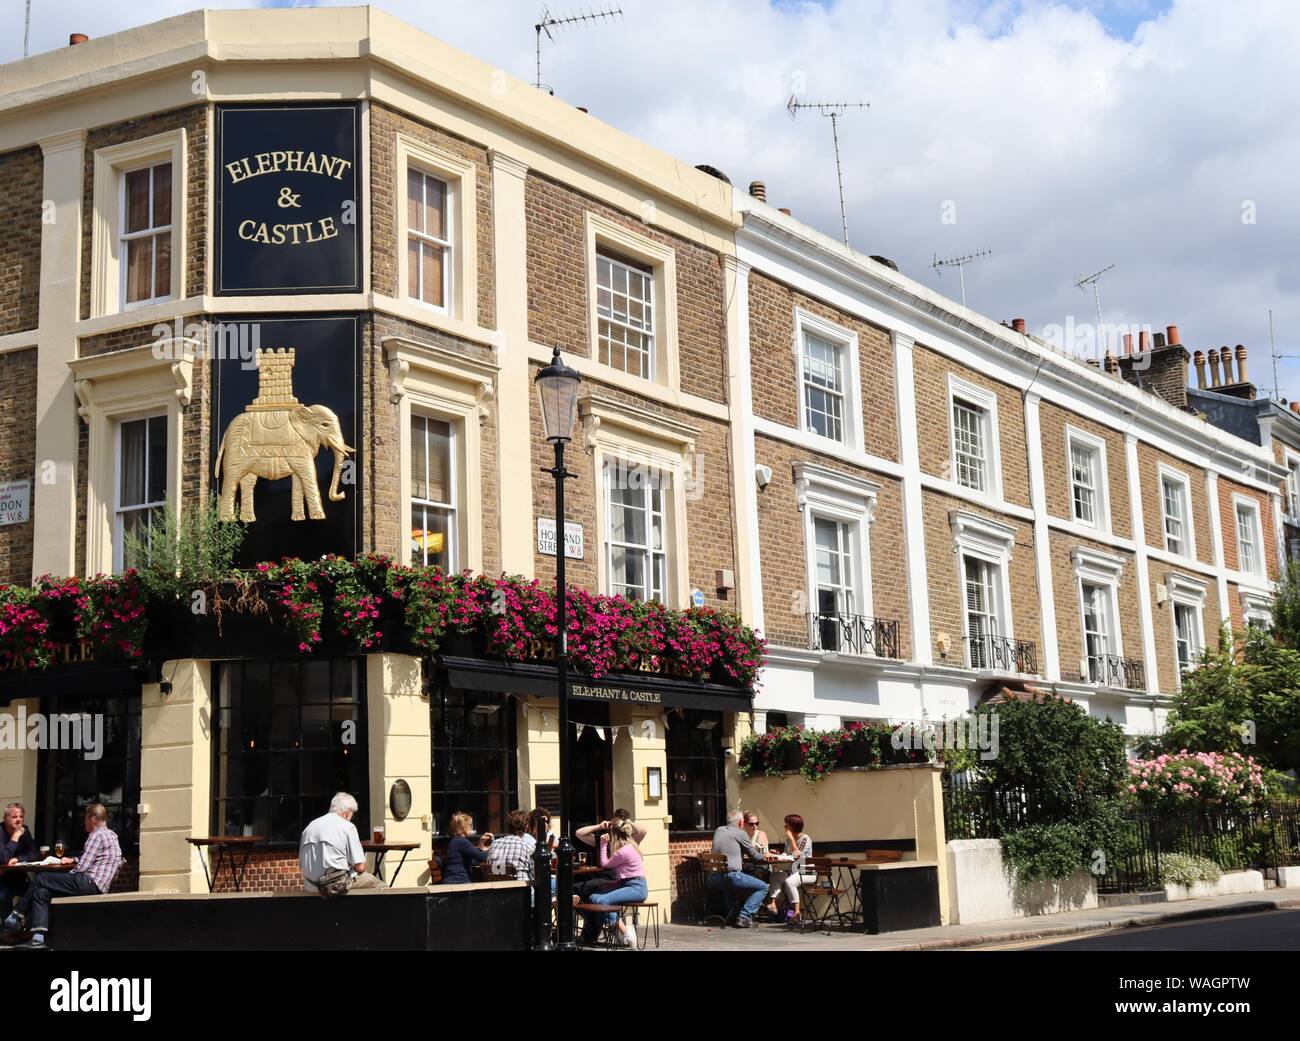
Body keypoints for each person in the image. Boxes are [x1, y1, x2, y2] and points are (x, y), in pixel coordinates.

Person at [2, 803, 122, 949]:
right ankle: (38, 939)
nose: (84, 822)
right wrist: (73, 860)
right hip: (97, 884)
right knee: (41, 892)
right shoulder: (110, 834)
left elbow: (81, 869)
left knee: (42, 878)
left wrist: (62, 879)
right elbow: (93, 858)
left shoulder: (96, 836)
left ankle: (15, 916)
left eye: (85, 819)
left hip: (89, 882)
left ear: (92, 819)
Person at [575, 810, 648, 948]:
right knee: (589, 894)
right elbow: (579, 833)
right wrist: (599, 826)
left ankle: (622, 931)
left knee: (593, 895)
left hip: (626, 883)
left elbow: (643, 831)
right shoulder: (616, 841)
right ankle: (603, 929)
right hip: (619, 882)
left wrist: (626, 823)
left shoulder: (628, 843)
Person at [299, 792, 384, 894]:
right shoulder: (347, 827)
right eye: (352, 814)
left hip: (311, 886)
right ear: (347, 812)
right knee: (378, 884)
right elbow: (360, 867)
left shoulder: (309, 827)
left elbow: (302, 865)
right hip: (334, 886)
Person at [710, 809, 769, 928]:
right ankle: (744, 917)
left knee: (731, 886)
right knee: (762, 887)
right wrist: (766, 855)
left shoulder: (719, 830)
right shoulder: (740, 833)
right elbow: (755, 857)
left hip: (714, 878)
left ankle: (732, 916)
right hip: (732, 877)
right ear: (741, 822)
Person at [1, 803, 39, 907]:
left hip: (18, 878)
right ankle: (10, 922)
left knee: (38, 893)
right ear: (5, 818)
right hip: (2, 881)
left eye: (21, 817)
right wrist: (16, 835)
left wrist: (18, 859)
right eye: (14, 817)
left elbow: (34, 854)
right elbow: (3, 859)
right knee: (3, 897)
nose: (19, 820)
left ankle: (18, 918)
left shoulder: (24, 830)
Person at [781, 814, 815, 926]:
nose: (785, 827)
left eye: (786, 825)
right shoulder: (787, 840)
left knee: (790, 882)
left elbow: (797, 856)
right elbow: (787, 854)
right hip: (793, 871)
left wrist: (791, 839)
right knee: (775, 877)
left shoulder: (805, 838)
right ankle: (774, 907)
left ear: (792, 827)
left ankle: (796, 912)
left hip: (806, 872)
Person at [442, 812, 493, 885]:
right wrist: (494, 847)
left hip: (451, 881)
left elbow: (473, 860)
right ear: (463, 826)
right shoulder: (462, 842)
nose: (471, 827)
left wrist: (481, 843)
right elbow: (483, 857)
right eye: (470, 825)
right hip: (460, 882)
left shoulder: (454, 840)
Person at [486, 809, 536, 881]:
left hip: (498, 890)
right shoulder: (528, 846)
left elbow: (491, 868)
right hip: (521, 890)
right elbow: (536, 873)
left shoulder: (494, 844)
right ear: (526, 828)